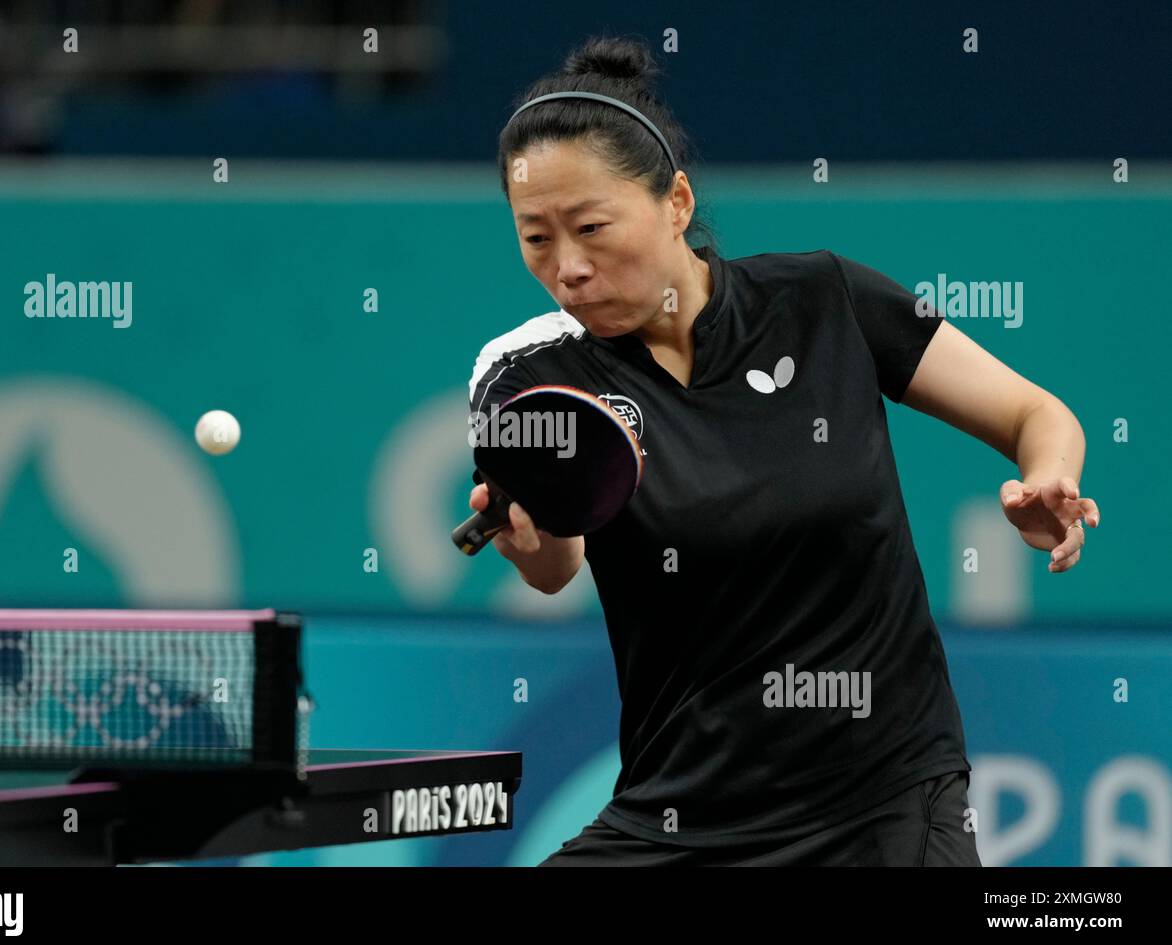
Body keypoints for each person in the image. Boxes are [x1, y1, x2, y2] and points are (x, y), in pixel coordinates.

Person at [466, 35, 1101, 866]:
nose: (568, 268)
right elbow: (556, 565)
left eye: (591, 227)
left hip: (887, 802)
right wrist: (529, 539)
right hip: (680, 820)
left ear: (676, 203)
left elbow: (1033, 411)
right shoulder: (529, 375)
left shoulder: (822, 301)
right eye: (536, 238)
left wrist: (1049, 477)